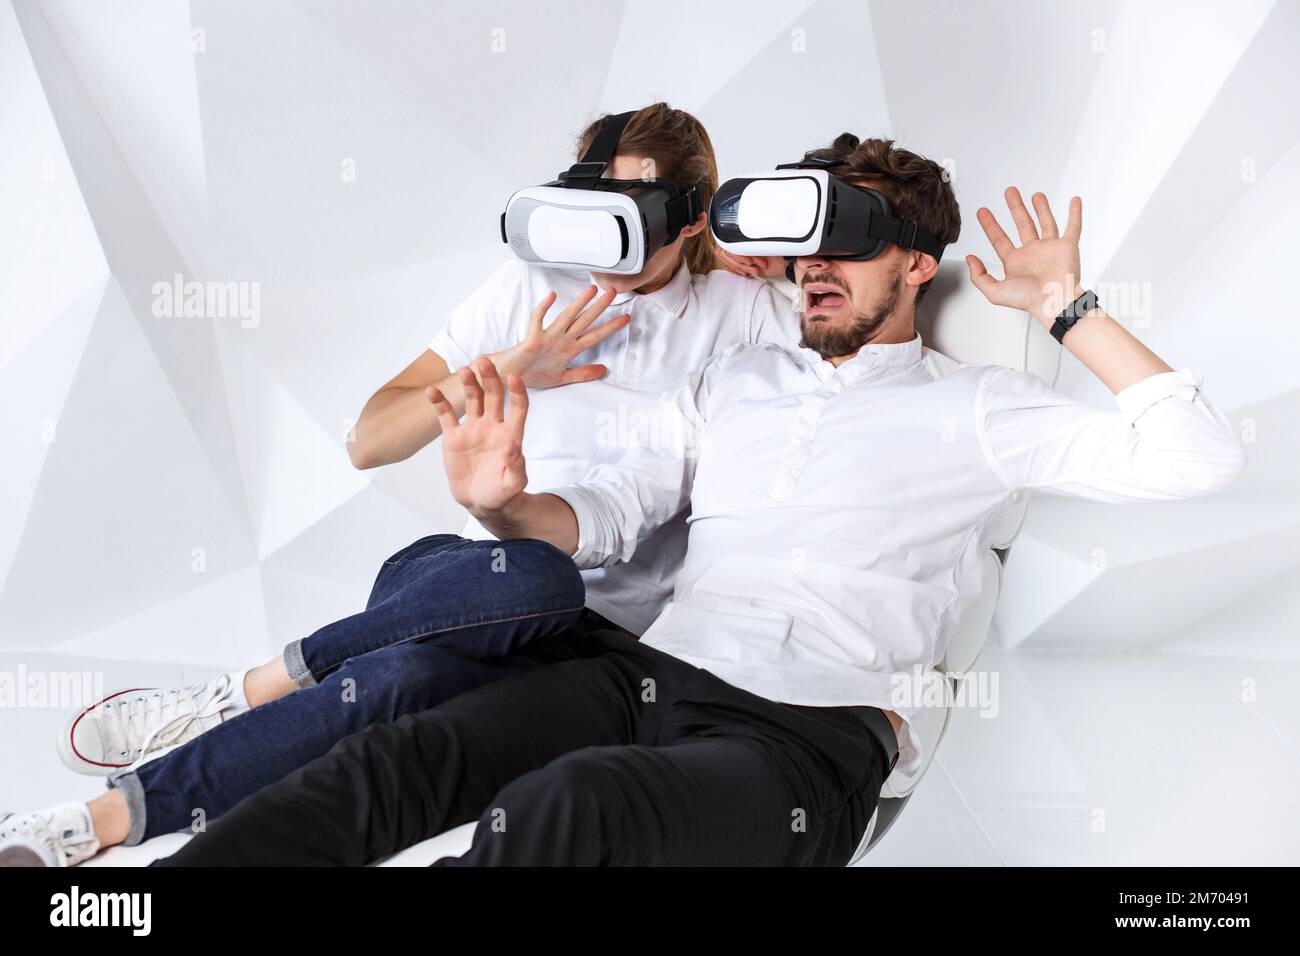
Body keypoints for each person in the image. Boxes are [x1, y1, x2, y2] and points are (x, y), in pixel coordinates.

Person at [146, 135, 1246, 866]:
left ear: (915, 263)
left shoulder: (979, 407)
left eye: (848, 245)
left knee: (559, 809)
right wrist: (506, 505)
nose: (814, 267)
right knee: (403, 754)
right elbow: (619, 507)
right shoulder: (740, 376)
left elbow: (1196, 456)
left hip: (805, 739)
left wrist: (1066, 305)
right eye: (801, 244)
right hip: (647, 673)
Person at [0, 103, 798, 867]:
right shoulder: (531, 287)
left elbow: (861, 316)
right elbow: (367, 440)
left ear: (689, 216)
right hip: (467, 589)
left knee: (404, 685)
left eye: (632, 219)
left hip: (598, 646)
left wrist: (774, 254)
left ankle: (104, 821)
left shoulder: (747, 311)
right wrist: (515, 368)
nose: (601, 248)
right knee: (538, 573)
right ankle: (220, 709)